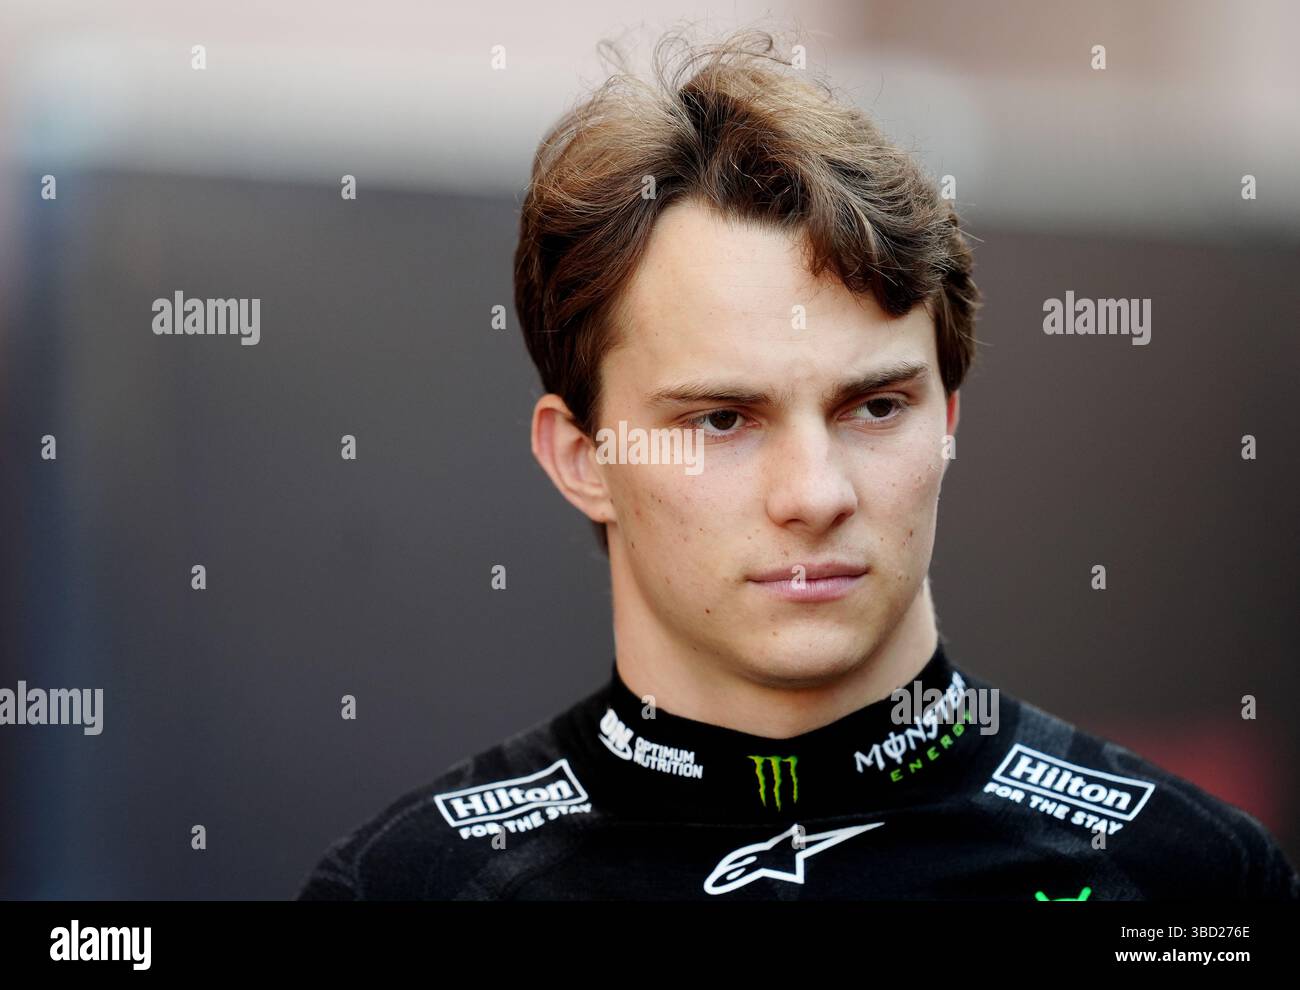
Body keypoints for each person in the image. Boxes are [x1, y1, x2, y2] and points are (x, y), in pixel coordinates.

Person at [296, 28, 1298, 901]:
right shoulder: (415, 886)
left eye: (874, 407)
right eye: (723, 419)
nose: (815, 494)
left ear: (946, 420)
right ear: (581, 456)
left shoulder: (1185, 879)